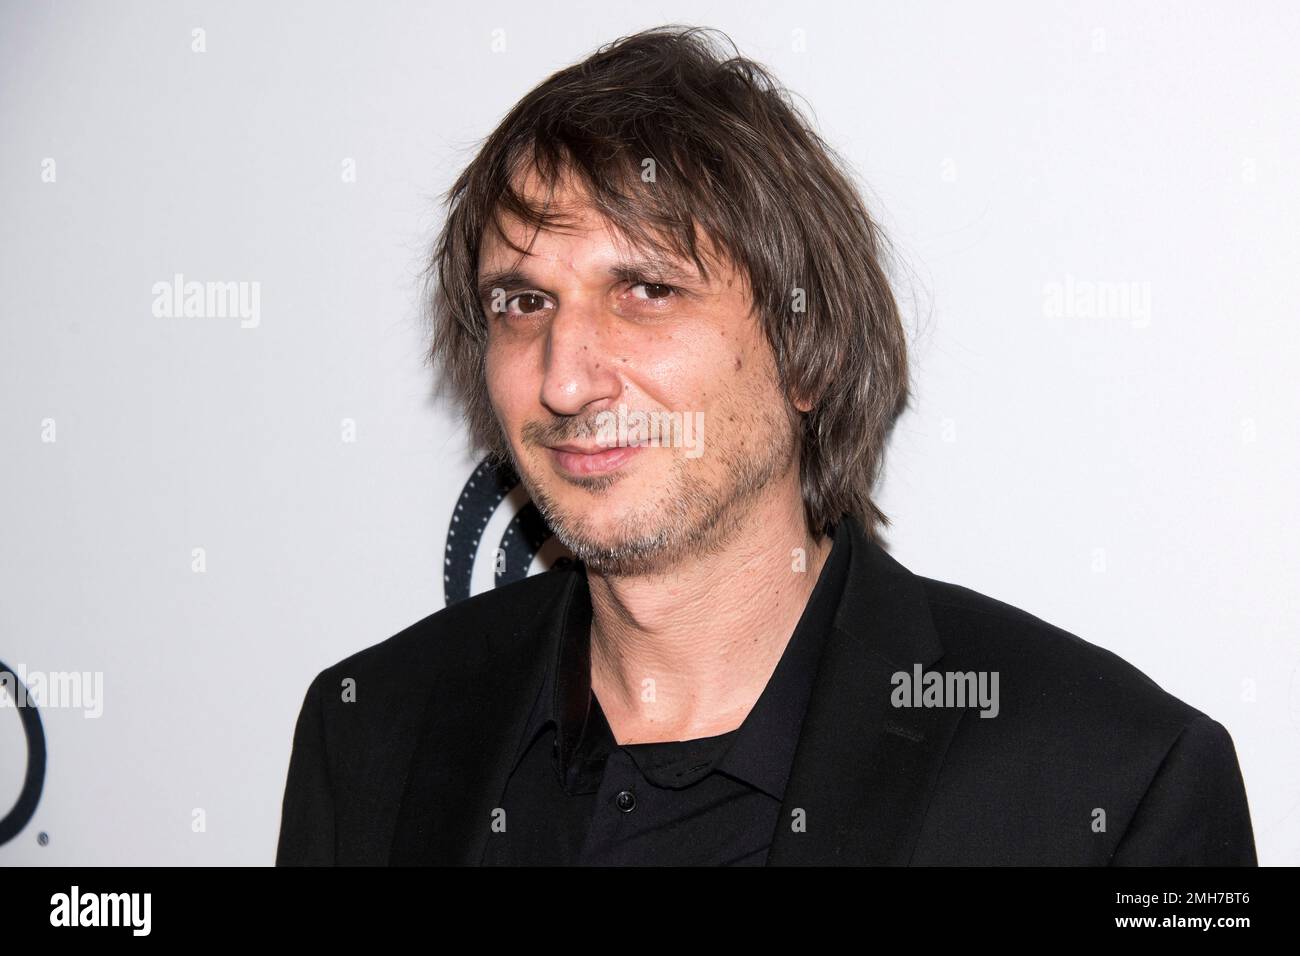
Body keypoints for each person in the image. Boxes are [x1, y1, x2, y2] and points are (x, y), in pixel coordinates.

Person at [275, 25, 1256, 866]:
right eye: (524, 302)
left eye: (647, 289)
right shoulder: (369, 733)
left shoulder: (1110, 783)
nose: (565, 377)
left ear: (807, 355)